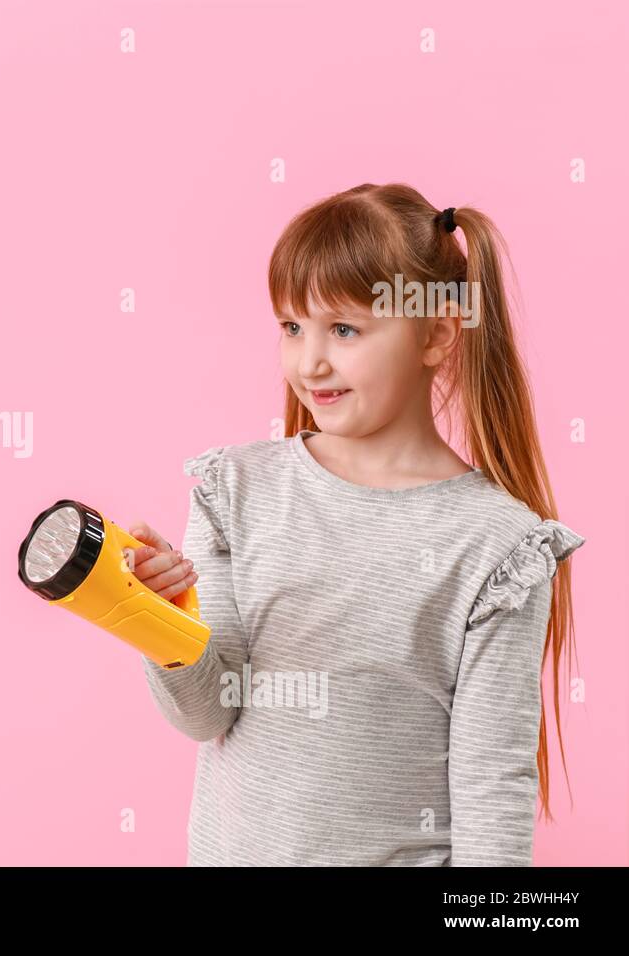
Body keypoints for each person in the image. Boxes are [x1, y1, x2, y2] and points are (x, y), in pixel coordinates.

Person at [129, 184, 586, 866]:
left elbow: (493, 788)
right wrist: (163, 623)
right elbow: (207, 715)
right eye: (292, 327)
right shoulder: (237, 494)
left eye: (343, 329)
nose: (310, 362)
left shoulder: (497, 547)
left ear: (434, 332)